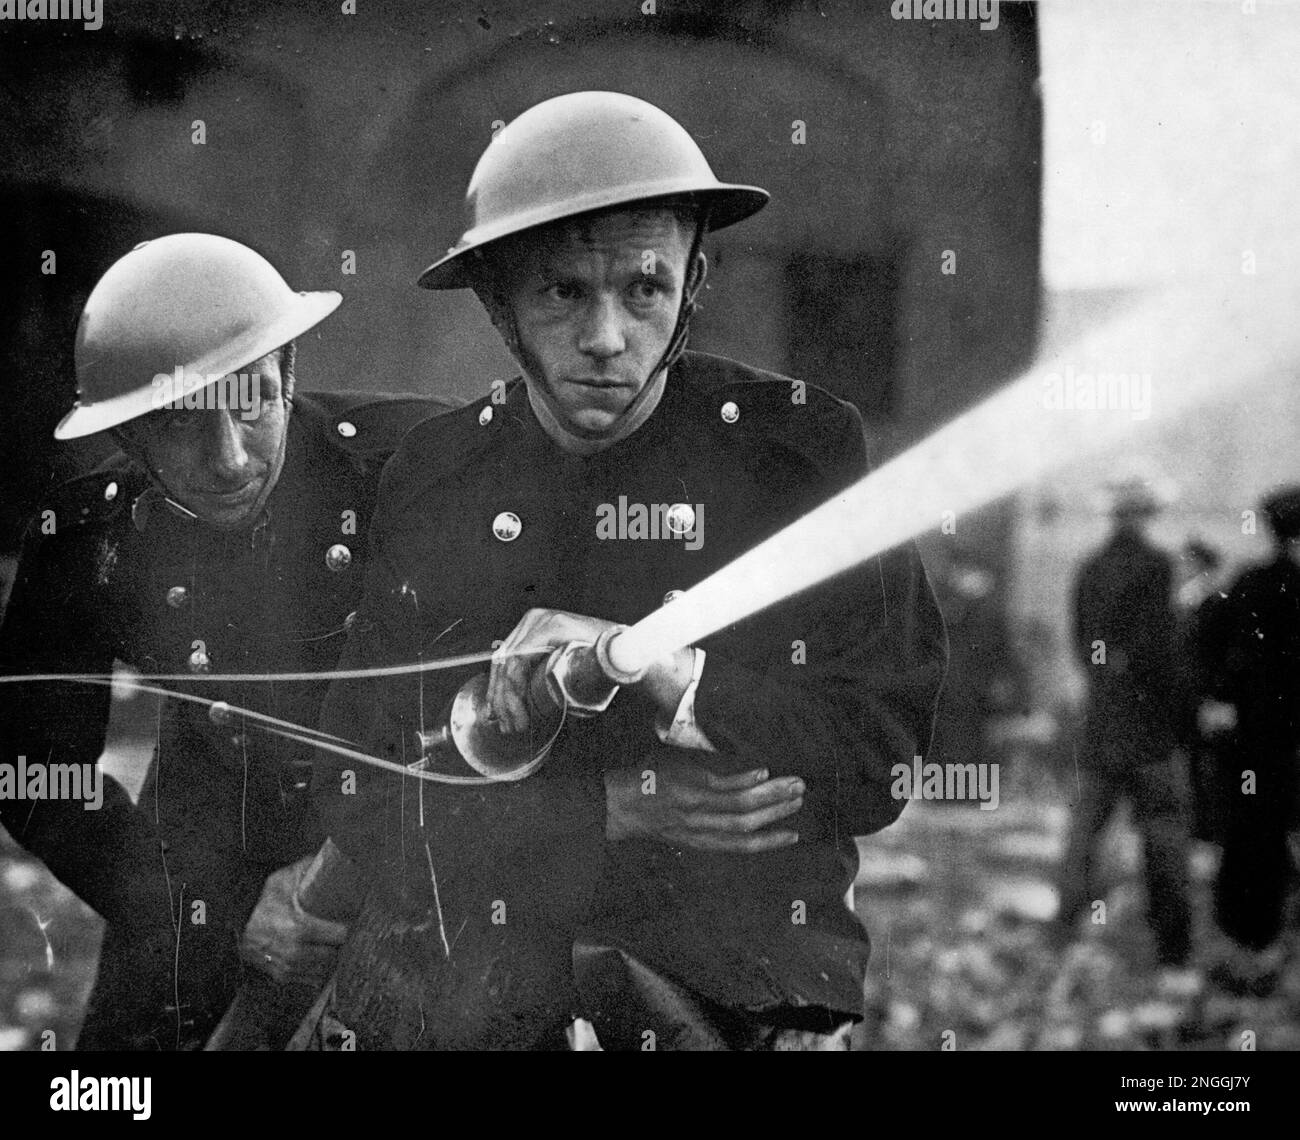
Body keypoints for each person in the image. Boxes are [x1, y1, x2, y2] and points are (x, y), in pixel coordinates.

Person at [314, 91, 948, 1050]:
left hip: (735, 983)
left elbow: (876, 756)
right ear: (499, 304)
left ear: (693, 285)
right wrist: (607, 811)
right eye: (564, 291)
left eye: (644, 289)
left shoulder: (799, 456)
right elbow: (360, 784)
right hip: (481, 973)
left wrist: (678, 681)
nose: (607, 337)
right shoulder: (438, 480)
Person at [0, 233, 448, 1049]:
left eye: (253, 402)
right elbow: (33, 770)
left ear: (290, 375)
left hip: (412, 856)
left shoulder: (412, 467)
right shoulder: (86, 538)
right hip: (201, 871)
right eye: (180, 425)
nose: (230, 458)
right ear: (129, 437)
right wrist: (206, 908)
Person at [1054, 473, 1192, 973]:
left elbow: (1083, 645)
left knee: (1085, 834)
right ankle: (1172, 948)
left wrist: (1107, 672)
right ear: (1146, 514)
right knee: (1162, 835)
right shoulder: (1158, 567)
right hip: (1149, 730)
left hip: (1104, 726)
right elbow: (1163, 653)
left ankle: (1063, 932)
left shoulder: (1091, 568)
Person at [1198, 487, 1300, 954]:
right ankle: (1259, 929)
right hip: (1274, 737)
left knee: (1249, 827)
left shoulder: (1249, 583)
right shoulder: (1263, 585)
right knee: (1266, 829)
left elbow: (1212, 647)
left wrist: (1220, 700)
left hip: (1251, 736)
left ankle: (1244, 928)